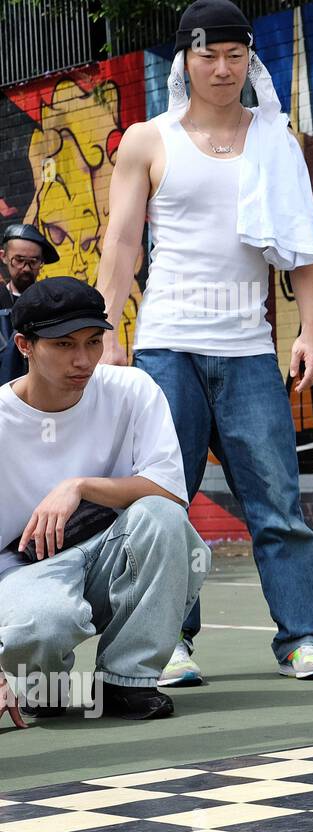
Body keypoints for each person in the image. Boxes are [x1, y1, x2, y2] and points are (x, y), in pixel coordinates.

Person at [96, 0, 313, 685]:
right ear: (186, 61)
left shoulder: (275, 139)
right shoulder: (148, 139)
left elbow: (304, 248)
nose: (222, 68)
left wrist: (312, 333)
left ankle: (301, 638)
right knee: (163, 502)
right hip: (167, 345)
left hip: (250, 350)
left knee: (278, 503)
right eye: (208, 55)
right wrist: (108, 332)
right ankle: (167, 639)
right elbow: (120, 242)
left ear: (249, 59)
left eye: (235, 55)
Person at [0, 277, 207, 721]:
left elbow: (170, 490)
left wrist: (79, 485)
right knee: (42, 625)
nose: (83, 360)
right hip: (21, 568)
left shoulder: (131, 389)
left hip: (109, 551)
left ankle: (126, 681)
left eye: (94, 342)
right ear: (25, 344)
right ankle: (41, 685)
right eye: (63, 345)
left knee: (164, 519)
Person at [0, 223, 60, 386]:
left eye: (33, 261)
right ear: (4, 256)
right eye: (19, 260)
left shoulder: (51, 303)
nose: (26, 268)